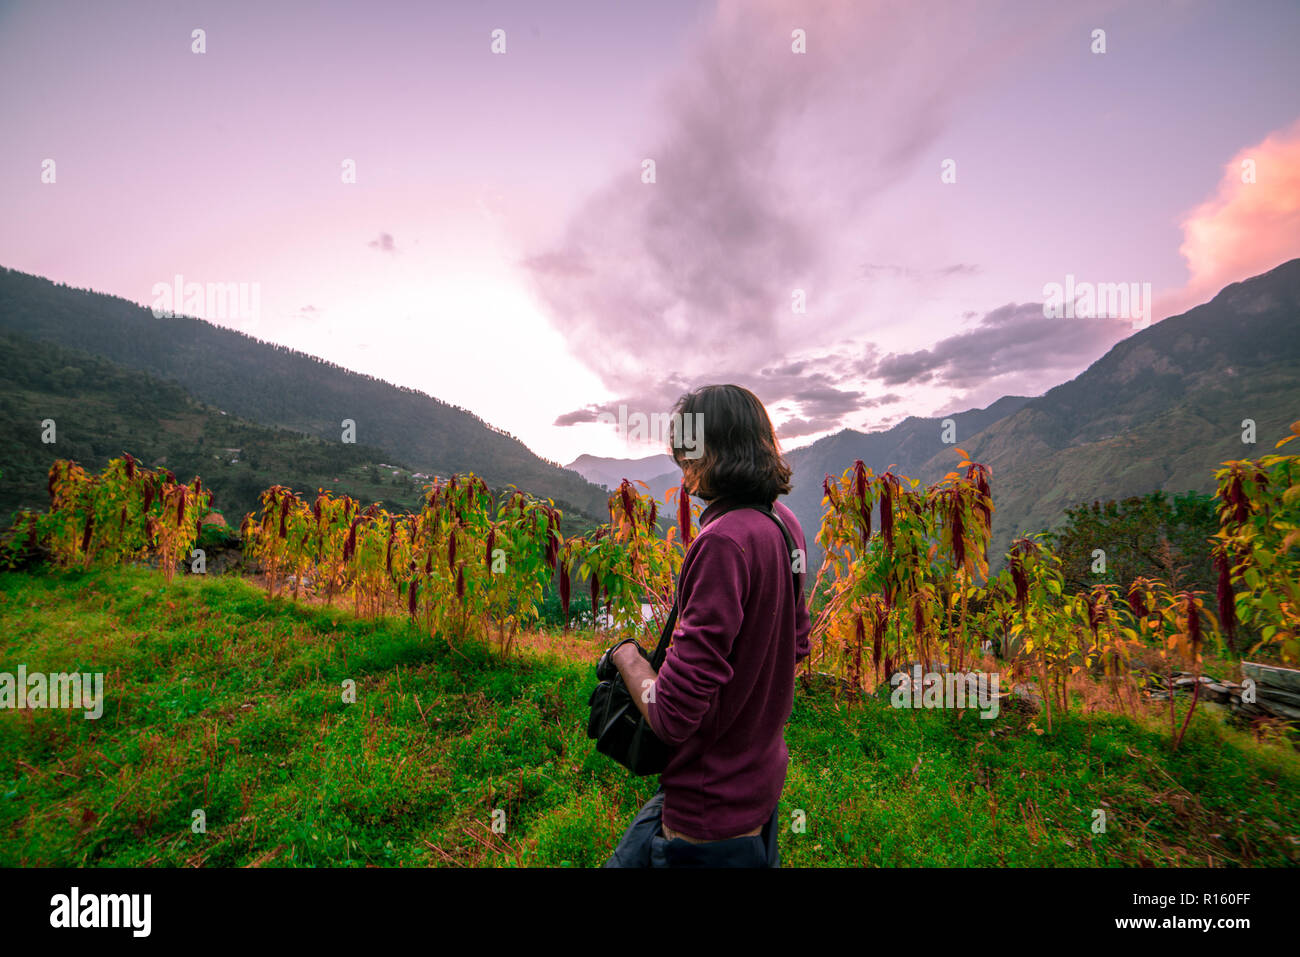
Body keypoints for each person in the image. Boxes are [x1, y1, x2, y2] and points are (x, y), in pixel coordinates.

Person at [603, 384, 811, 868]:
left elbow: (671, 715)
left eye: (686, 453)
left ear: (705, 454)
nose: (682, 468)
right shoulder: (783, 522)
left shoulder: (723, 543)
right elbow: (796, 644)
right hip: (757, 790)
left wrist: (627, 657)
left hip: (707, 819)